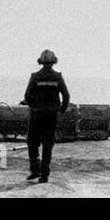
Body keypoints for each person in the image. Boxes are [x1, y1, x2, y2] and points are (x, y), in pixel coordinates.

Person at [23, 49, 70, 183]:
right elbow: (66, 96)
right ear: (54, 61)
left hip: (37, 115)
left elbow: (27, 96)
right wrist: (61, 111)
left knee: (32, 143)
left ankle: (34, 170)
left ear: (41, 62)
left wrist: (34, 107)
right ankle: (45, 175)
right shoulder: (57, 77)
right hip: (51, 116)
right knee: (48, 145)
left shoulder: (35, 76)